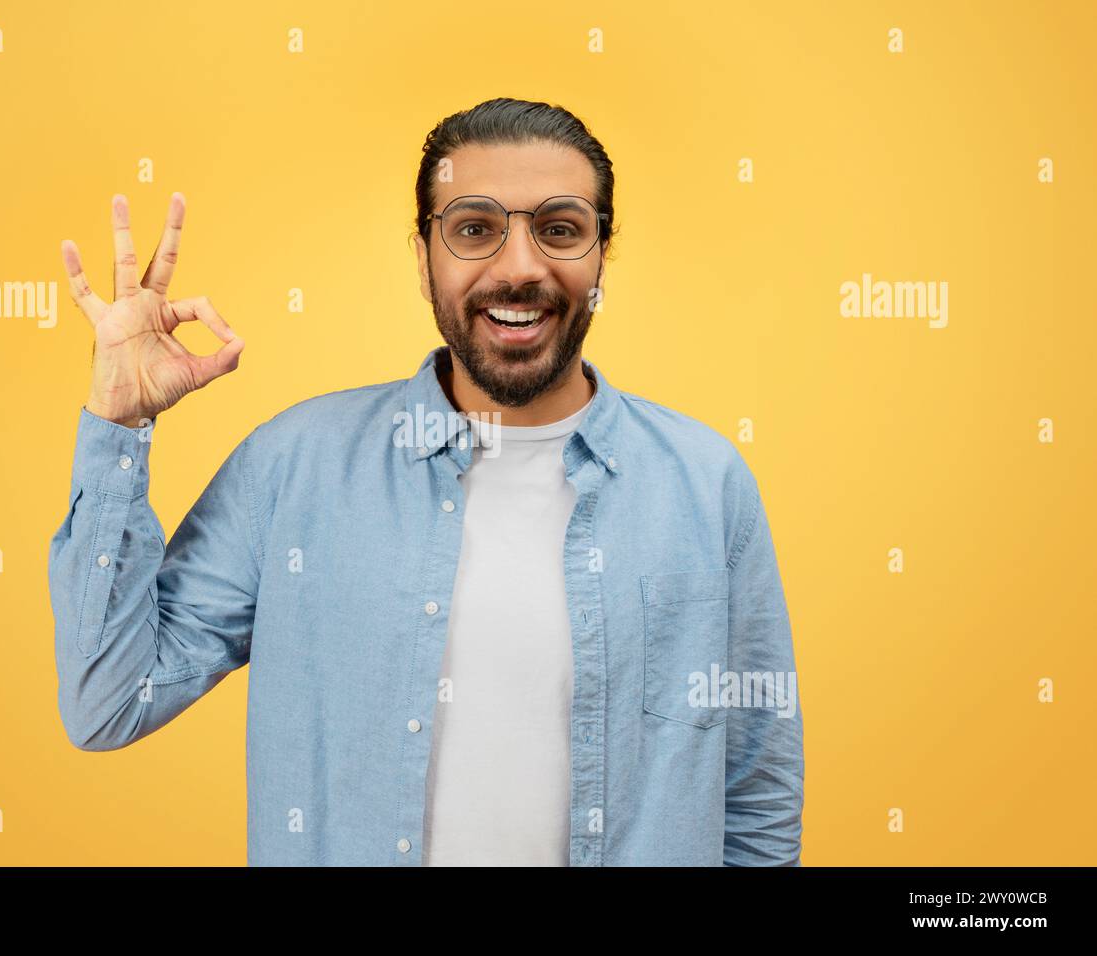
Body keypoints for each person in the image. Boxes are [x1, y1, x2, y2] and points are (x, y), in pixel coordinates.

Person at [48, 97, 804, 866]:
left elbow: (756, 799)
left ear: (602, 256)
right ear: (422, 259)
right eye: (474, 229)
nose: (519, 268)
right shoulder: (293, 468)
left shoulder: (706, 486)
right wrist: (119, 422)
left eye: (561, 229)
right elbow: (108, 703)